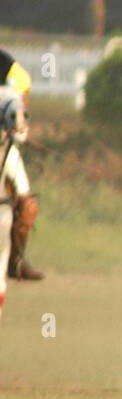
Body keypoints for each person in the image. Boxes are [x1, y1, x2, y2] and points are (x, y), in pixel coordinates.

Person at [0, 48, 44, 281]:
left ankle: (15, 261)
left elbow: (19, 126)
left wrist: (18, 132)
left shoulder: (12, 71)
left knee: (28, 204)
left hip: (3, 150)